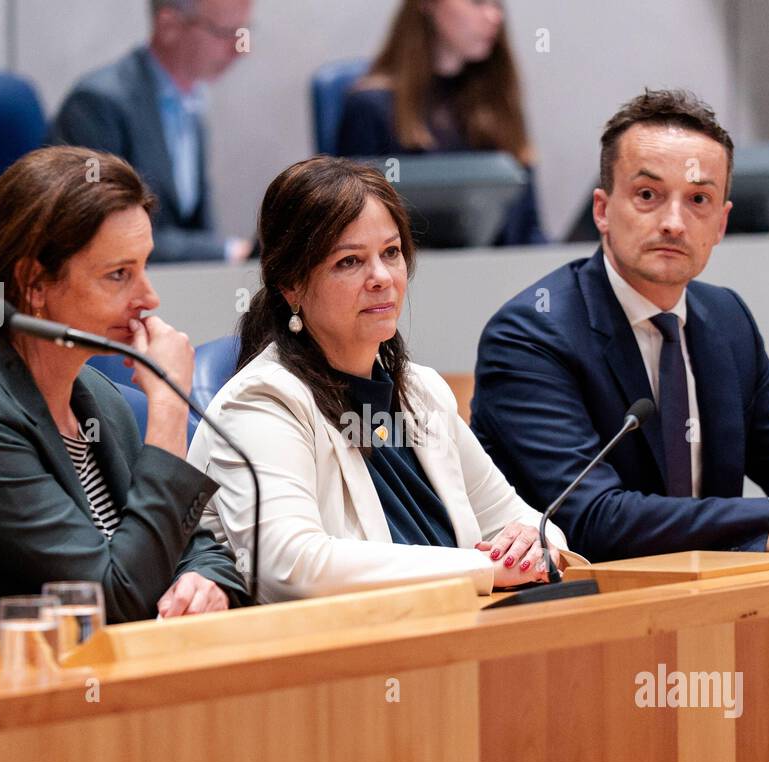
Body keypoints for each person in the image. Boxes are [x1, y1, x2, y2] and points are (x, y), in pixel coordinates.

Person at [470, 89, 769, 561]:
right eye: (647, 194)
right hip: (574, 616)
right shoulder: (531, 335)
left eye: (698, 200)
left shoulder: (725, 320)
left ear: (721, 224)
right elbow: (592, 520)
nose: (674, 223)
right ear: (602, 210)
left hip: (715, 608)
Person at [0, 146, 247, 654]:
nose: (149, 297)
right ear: (34, 284)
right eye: (119, 275)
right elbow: (108, 601)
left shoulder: (95, 397)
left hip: (70, 686)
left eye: (144, 267)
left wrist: (207, 582)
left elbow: (191, 541)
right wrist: (168, 410)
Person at [186, 156, 568, 603]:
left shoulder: (423, 392)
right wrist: (485, 568)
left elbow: (530, 525)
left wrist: (530, 543)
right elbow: (290, 566)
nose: (382, 278)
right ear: (290, 285)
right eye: (350, 261)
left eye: (391, 253)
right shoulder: (261, 403)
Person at [47, 0, 253, 263]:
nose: (242, 49)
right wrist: (227, 251)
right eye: (225, 32)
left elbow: (195, 226)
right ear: (168, 26)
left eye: (244, 32)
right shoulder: (98, 103)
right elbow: (100, 230)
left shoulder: (191, 100)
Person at [335, 0, 544, 246]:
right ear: (427, 5)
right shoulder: (371, 108)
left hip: (504, 272)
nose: (494, 16)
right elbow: (353, 232)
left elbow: (529, 229)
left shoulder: (497, 102)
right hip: (409, 275)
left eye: (497, 4)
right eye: (477, 2)